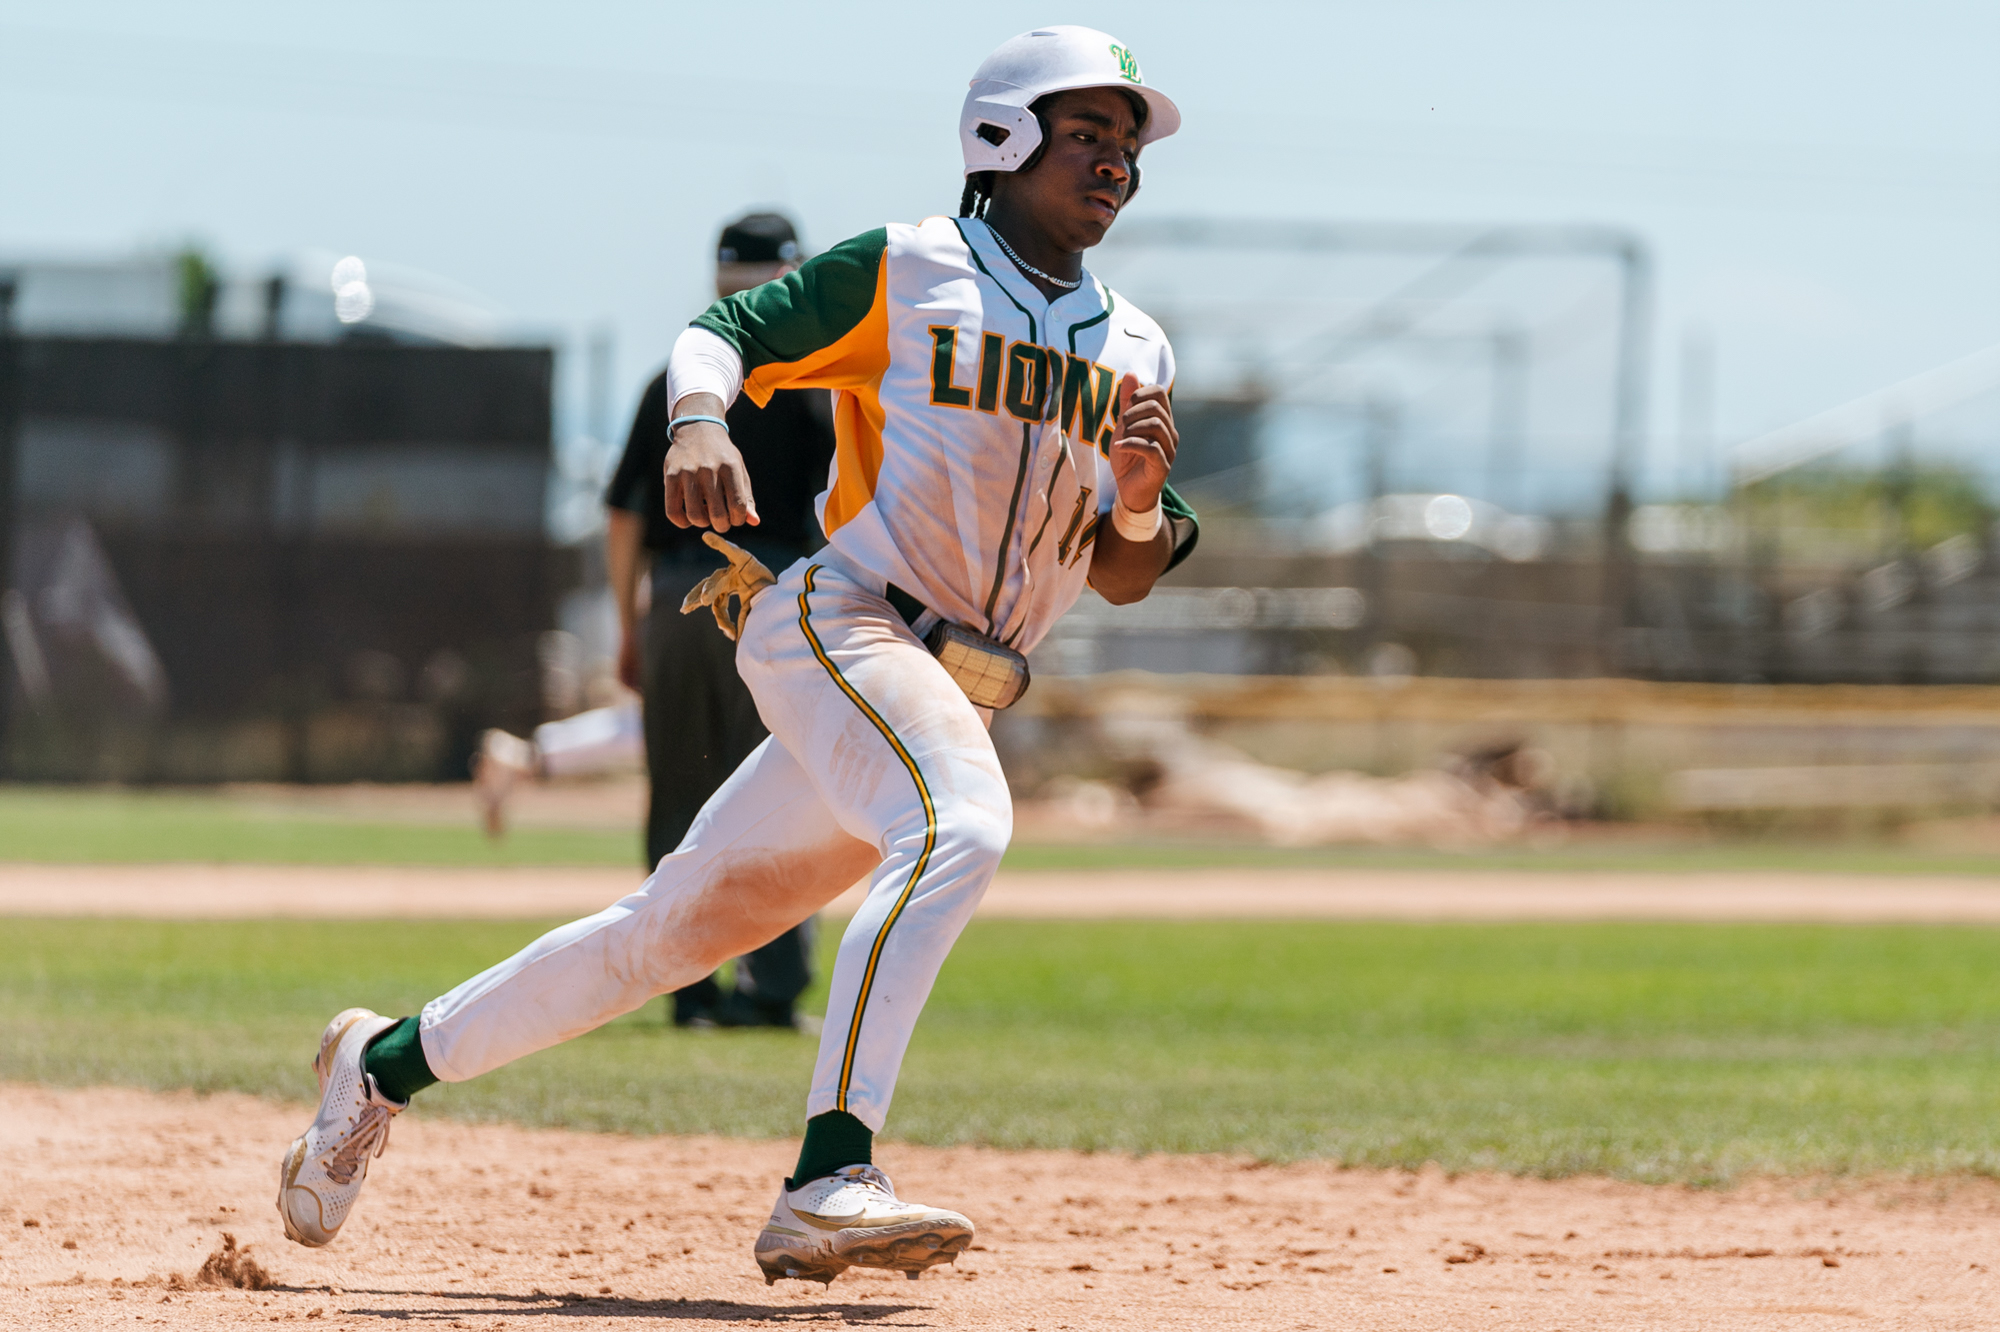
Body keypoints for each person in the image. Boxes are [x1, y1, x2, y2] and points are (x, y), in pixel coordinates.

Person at [277, 26, 1196, 1288]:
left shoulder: (1134, 347)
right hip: (848, 620)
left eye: (1127, 141)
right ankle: (829, 1175)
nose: (1114, 162)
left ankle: (375, 1067)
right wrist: (699, 416)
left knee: (667, 934)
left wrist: (1138, 499)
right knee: (960, 831)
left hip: (951, 688)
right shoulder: (915, 264)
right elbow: (720, 332)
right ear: (1003, 137)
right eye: (1085, 131)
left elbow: (1126, 567)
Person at [476, 213, 837, 1029]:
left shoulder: (678, 381)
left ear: (717, 278)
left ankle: (684, 988)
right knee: (785, 798)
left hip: (680, 598)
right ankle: (772, 990)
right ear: (794, 271)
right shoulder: (817, 387)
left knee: (679, 795)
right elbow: (843, 518)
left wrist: (634, 626)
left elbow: (623, 519)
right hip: (777, 604)